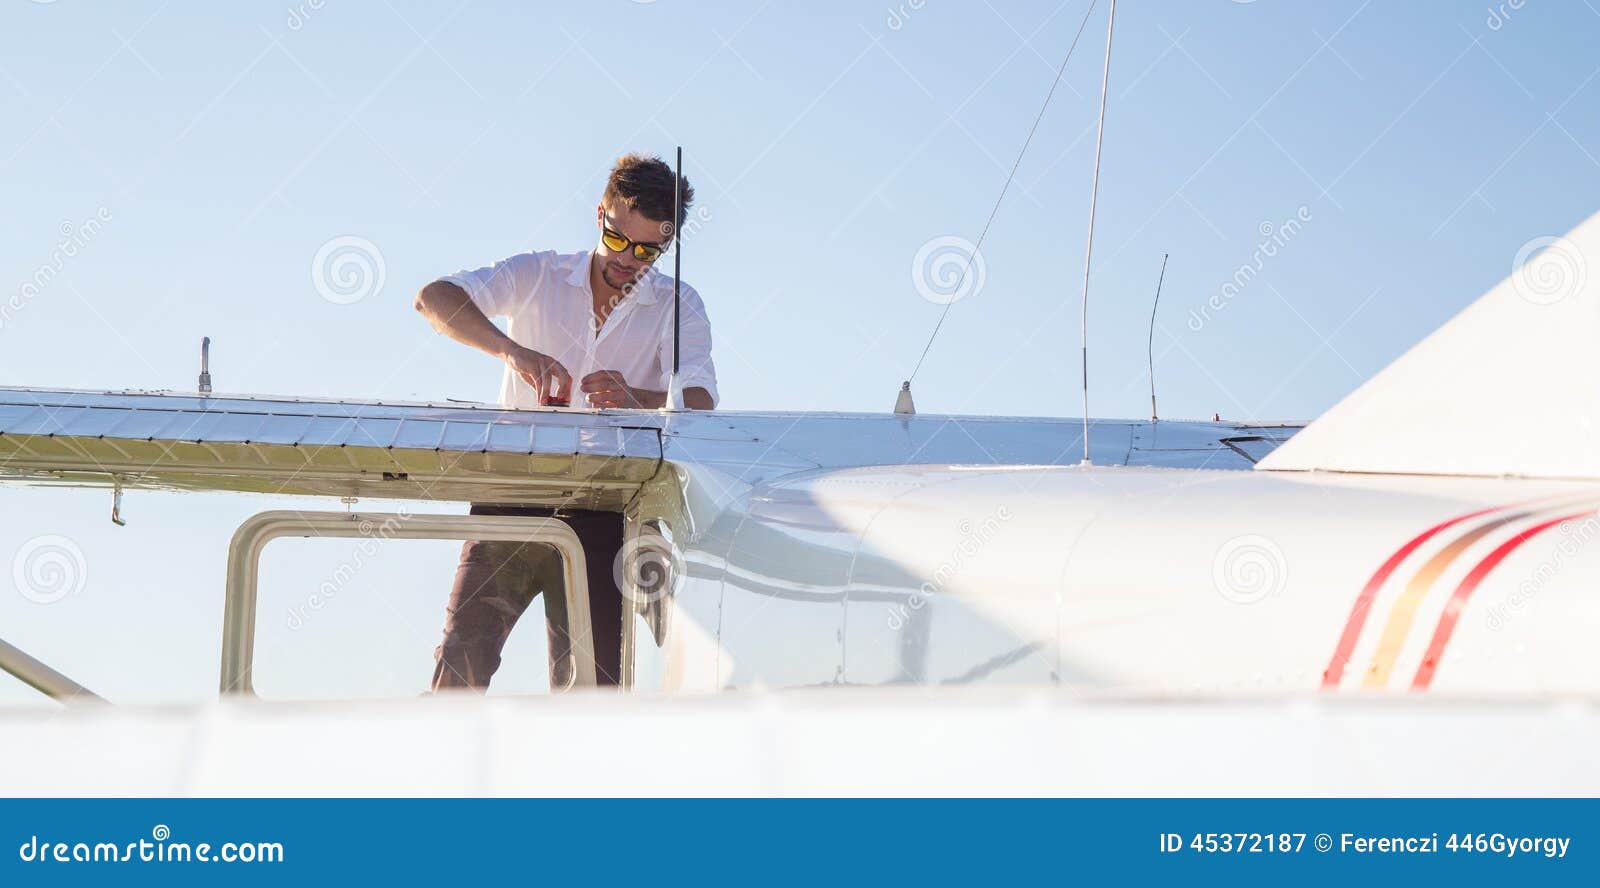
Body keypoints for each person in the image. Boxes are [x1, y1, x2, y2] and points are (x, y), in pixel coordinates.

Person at [413, 153, 718, 690]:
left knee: (594, 687)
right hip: (509, 497)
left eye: (649, 250)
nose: (629, 259)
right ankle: (436, 769)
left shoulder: (680, 304)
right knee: (461, 667)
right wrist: (512, 352)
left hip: (608, 511)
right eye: (620, 240)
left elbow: (699, 401)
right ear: (600, 213)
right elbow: (434, 298)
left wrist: (635, 396)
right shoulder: (538, 274)